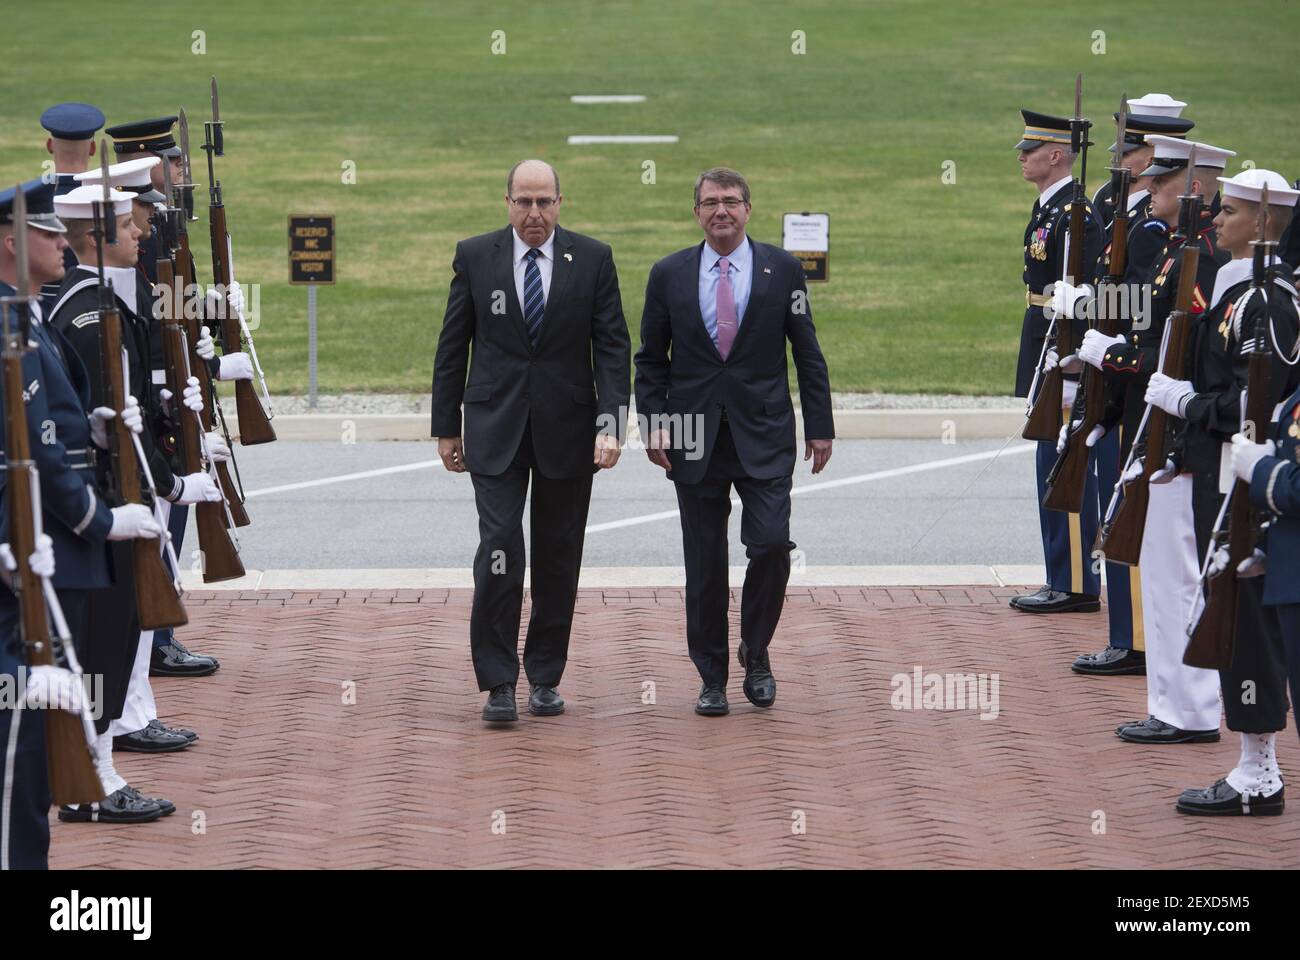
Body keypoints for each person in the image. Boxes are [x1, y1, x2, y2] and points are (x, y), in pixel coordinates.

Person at [431, 159, 630, 722]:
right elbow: (453, 346)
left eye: (544, 202)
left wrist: (611, 425)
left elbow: (612, 348)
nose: (534, 213)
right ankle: (498, 682)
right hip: (494, 430)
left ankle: (545, 675)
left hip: (568, 433)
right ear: (508, 202)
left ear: (560, 203)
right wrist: (447, 426)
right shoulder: (476, 256)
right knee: (499, 549)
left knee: (557, 554)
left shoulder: (592, 259)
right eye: (524, 201)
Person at [634, 166, 834, 716]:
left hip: (764, 432)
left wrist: (820, 424)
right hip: (693, 434)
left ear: (748, 209)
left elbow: (806, 351)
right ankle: (712, 676)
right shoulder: (669, 273)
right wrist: (651, 422)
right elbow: (651, 359)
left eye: (730, 201)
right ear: (696, 212)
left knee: (770, 544)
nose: (720, 210)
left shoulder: (783, 270)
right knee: (704, 563)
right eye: (710, 202)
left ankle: (757, 649)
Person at [0, 178, 167, 824]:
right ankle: (85, 784)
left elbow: (56, 427)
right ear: (15, 243)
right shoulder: (19, 324)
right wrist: (99, 520)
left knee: (77, 677)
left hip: (56, 538)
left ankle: (88, 777)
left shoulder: (31, 317)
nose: (62, 245)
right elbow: (35, 447)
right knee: (39, 719)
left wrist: (95, 429)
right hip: (50, 541)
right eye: (48, 234)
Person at [49, 184, 221, 754]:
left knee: (127, 629)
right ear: (97, 238)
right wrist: (171, 485)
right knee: (110, 632)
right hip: (109, 497)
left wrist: (170, 404)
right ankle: (102, 747)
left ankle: (122, 723)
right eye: (127, 227)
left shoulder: (101, 304)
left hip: (117, 493)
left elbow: (133, 405)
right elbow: (114, 430)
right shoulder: (93, 317)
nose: (141, 233)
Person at [1171, 170, 1300, 814]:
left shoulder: (1269, 300)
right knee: (1229, 609)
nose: (1216, 220)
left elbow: (1260, 398)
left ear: (1263, 222)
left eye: (1230, 212)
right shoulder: (1238, 290)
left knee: (1245, 618)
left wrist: (1190, 403)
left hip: (1245, 479)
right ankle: (1253, 761)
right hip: (1222, 471)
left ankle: (1261, 772)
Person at [1010, 110, 1103, 614]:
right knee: (1050, 456)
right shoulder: (1051, 208)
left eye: (1029, 151)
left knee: (1062, 460)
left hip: (1062, 347)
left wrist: (1073, 356)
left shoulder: (1075, 214)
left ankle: (1073, 582)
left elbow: (1096, 295)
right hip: (1044, 336)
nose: (1022, 158)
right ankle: (1061, 575)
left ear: (1056, 155)